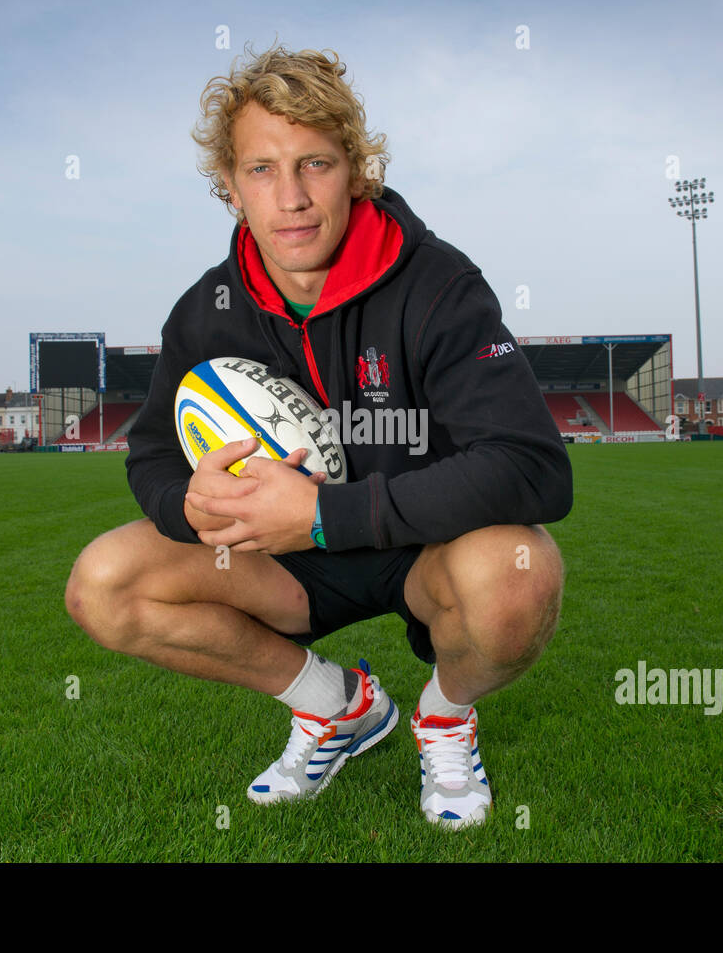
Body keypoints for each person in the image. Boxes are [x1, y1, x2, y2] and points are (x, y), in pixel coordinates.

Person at [65, 43, 572, 829]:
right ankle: (336, 706)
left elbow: (536, 469)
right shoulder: (206, 312)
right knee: (103, 583)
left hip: (422, 548)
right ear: (230, 187)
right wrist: (186, 502)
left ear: (356, 171)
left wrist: (330, 515)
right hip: (281, 562)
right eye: (262, 170)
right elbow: (154, 453)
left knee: (522, 573)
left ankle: (443, 713)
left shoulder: (436, 283)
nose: (292, 197)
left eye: (316, 164)